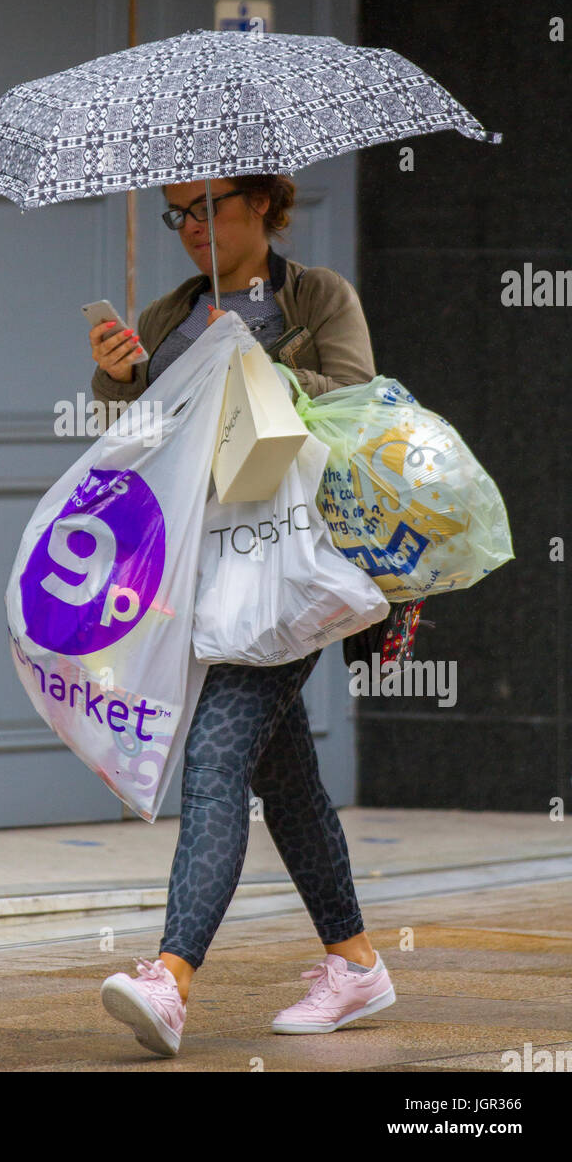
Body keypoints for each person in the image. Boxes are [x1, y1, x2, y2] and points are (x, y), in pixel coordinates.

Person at [88, 174, 396, 1058]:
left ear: (262, 204)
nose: (189, 228)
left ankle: (171, 978)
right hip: (204, 574)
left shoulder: (319, 297)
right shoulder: (165, 315)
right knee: (284, 777)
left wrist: (252, 361)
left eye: (207, 208)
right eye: (175, 214)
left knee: (218, 756)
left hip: (297, 572)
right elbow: (136, 449)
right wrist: (120, 380)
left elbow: (356, 408)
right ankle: (357, 964)